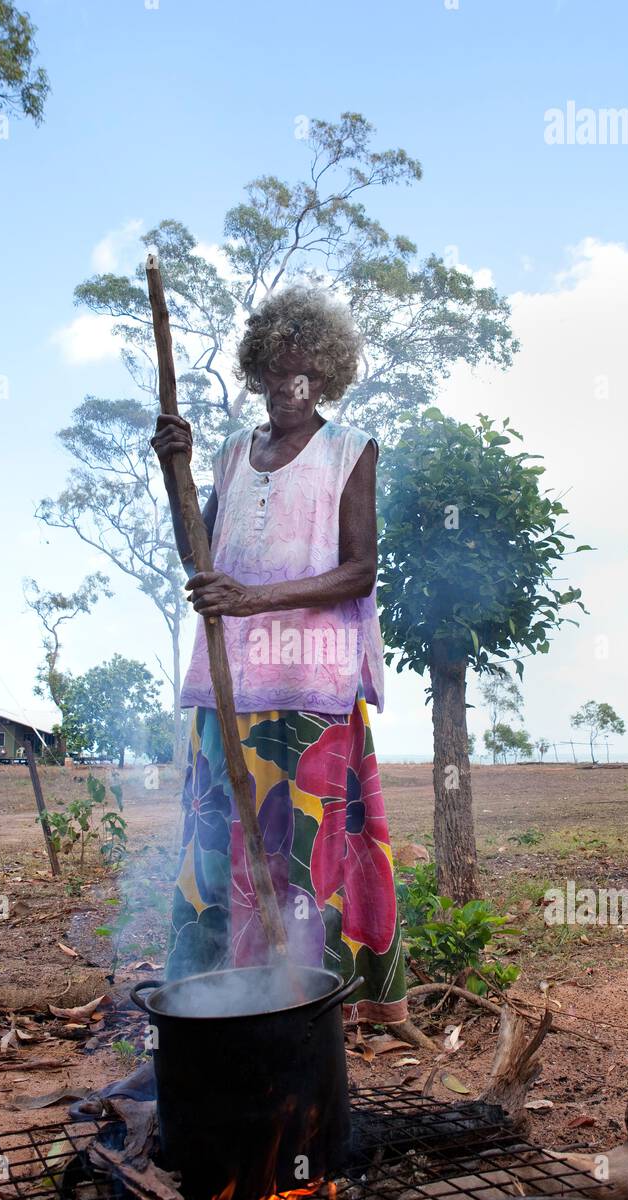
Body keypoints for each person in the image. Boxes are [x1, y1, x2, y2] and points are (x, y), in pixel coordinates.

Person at [150, 285, 407, 1025]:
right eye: (276, 373)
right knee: (224, 846)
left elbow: (359, 571)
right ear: (258, 374)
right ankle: (221, 1003)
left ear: (326, 377)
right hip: (228, 685)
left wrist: (251, 601)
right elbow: (193, 553)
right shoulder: (232, 455)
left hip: (312, 684)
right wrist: (178, 471)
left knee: (307, 851)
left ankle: (323, 1006)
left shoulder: (349, 452)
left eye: (306, 376)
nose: (290, 389)